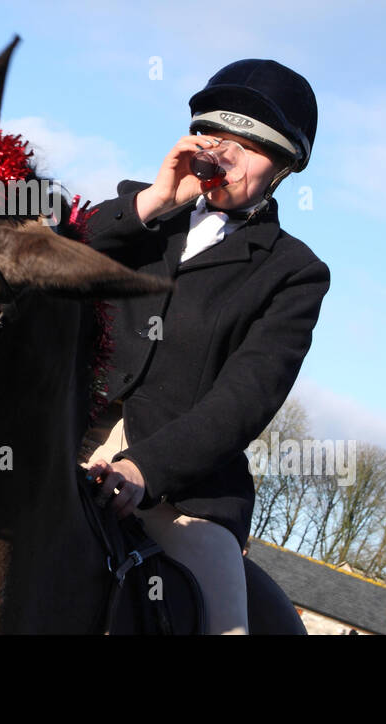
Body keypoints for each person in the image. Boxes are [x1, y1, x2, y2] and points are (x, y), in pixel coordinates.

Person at [80, 58, 330, 634]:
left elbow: (244, 399)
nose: (228, 153)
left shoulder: (295, 273)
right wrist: (154, 201)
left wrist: (147, 468)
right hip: (56, 439)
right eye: (218, 134)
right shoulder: (134, 214)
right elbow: (48, 263)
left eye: (252, 144)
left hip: (178, 493)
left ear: (285, 167)